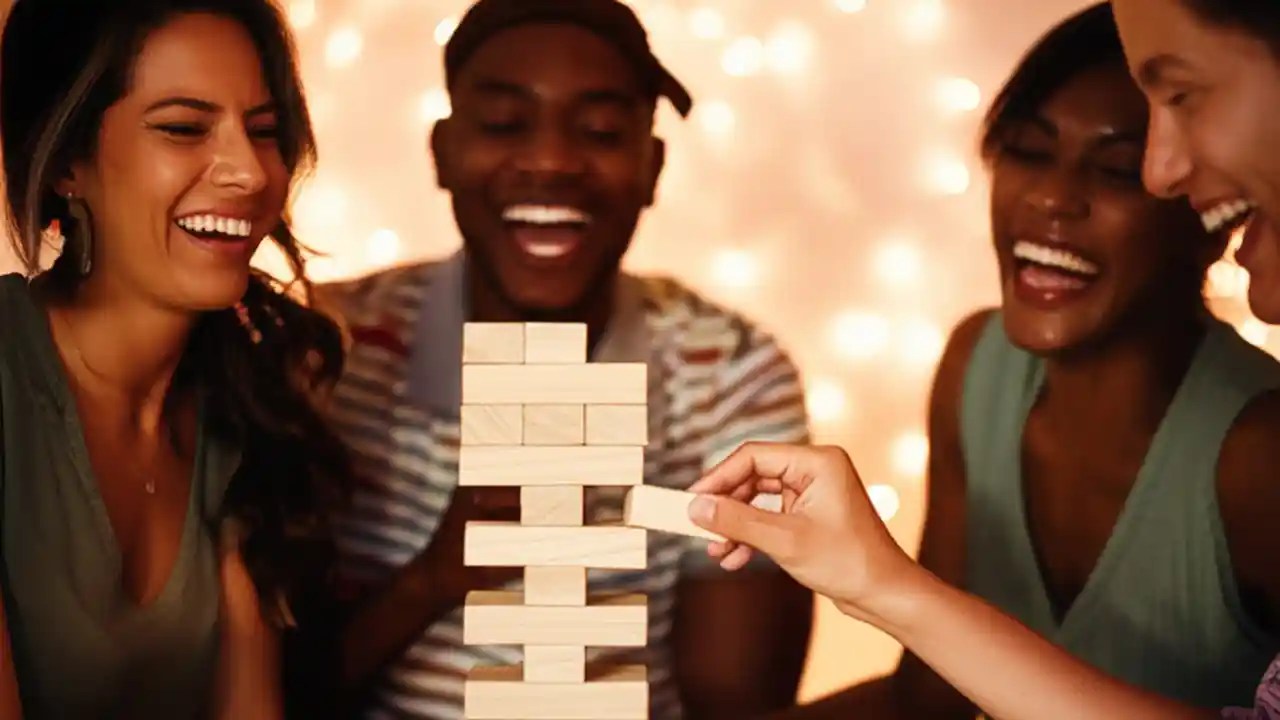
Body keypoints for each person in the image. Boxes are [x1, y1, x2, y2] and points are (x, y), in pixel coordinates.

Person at [685, 3, 1280, 717]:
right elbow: (929, 698)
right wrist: (880, 586)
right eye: (1029, 151)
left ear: (1211, 217)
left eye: (1116, 170)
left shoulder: (1258, 454)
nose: (1054, 198)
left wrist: (886, 588)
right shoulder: (979, 365)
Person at [317, 1, 815, 718]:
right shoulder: (336, 344)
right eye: (502, 125)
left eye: (602, 132)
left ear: (653, 167)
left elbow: (738, 706)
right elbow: (264, 690)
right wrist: (431, 579)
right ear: (443, 153)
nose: (551, 162)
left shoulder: (728, 369)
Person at [0, 0, 351, 717]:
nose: (250, 173)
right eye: (184, 129)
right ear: (67, 159)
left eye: (264, 131)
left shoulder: (241, 398)